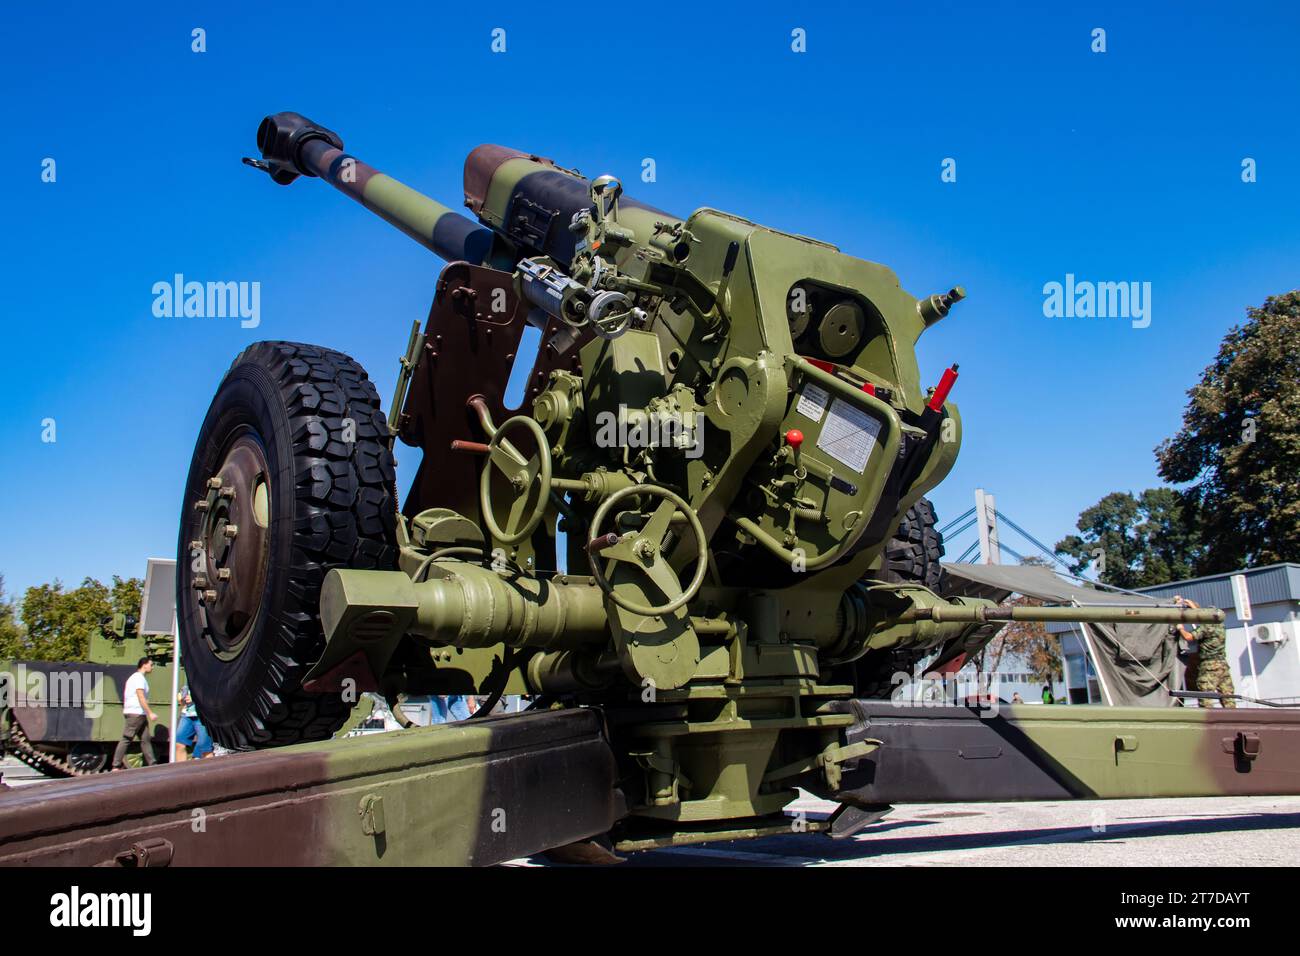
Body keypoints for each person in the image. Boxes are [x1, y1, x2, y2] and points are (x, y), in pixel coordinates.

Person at [1176, 596, 1236, 708]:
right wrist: (1194, 607)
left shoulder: (1206, 628)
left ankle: (1208, 721)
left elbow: (1189, 637)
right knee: (1228, 697)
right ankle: (1234, 720)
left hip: (1209, 665)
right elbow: (1201, 619)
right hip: (1223, 665)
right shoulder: (1220, 626)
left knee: (1205, 697)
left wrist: (1180, 628)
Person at [112, 657, 158, 769]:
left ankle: (153, 764)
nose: (152, 667)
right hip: (135, 713)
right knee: (127, 738)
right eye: (151, 665)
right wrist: (150, 712)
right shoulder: (138, 678)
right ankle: (115, 766)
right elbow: (140, 696)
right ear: (144, 665)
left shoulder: (138, 678)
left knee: (145, 739)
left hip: (138, 713)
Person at [174, 685, 214, 760]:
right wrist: (182, 698)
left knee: (205, 748)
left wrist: (195, 698)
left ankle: (207, 771)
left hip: (204, 716)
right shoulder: (191, 677)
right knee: (179, 744)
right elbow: (182, 700)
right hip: (187, 715)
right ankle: (181, 770)